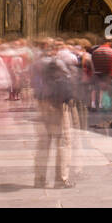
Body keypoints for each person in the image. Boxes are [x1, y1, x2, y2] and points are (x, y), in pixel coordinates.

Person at [33, 41, 75, 188]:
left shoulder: (36, 63)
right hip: (58, 104)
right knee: (63, 141)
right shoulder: (58, 63)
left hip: (42, 102)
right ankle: (61, 178)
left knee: (44, 141)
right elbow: (67, 80)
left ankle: (39, 178)